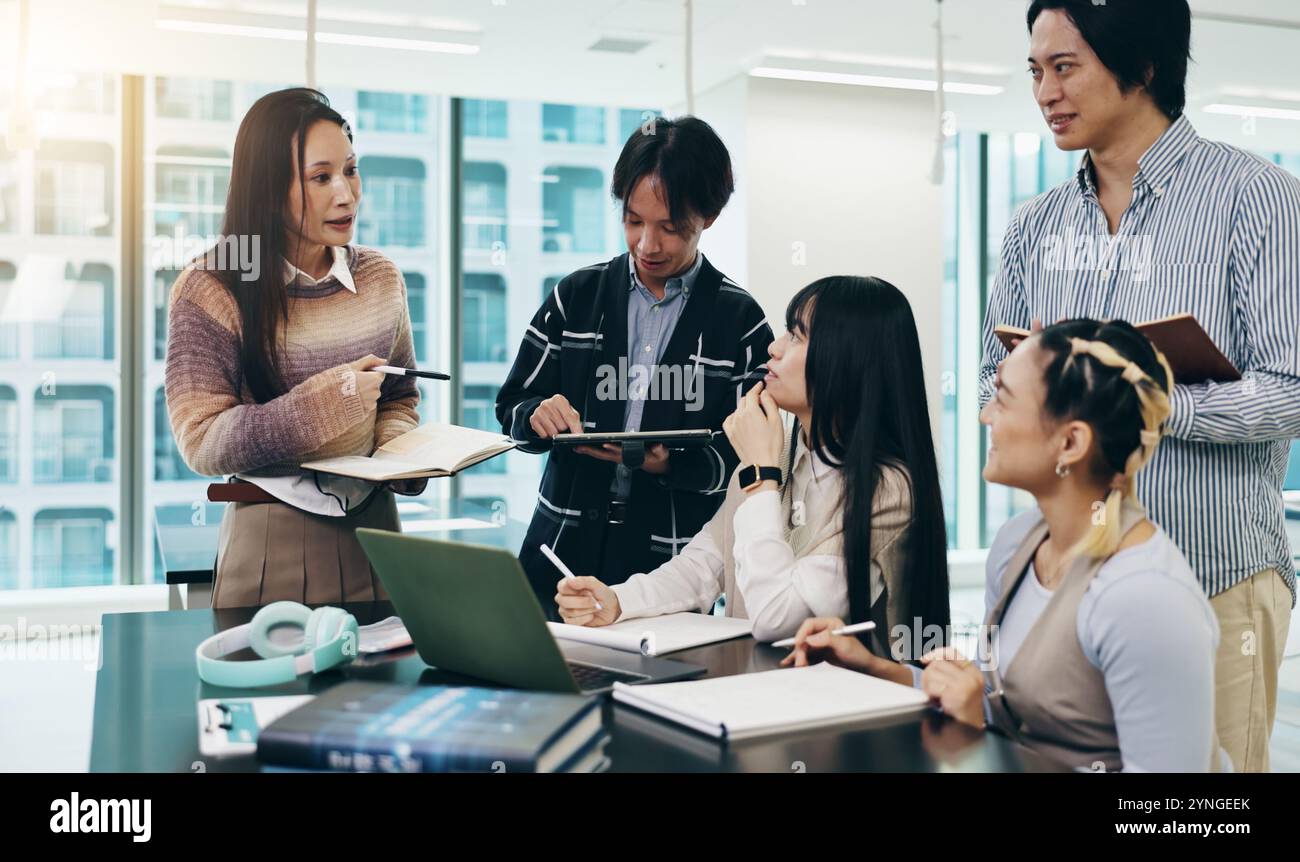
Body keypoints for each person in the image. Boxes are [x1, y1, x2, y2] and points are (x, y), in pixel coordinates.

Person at [978, 0, 1300, 771]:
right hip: (1066, 583)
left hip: (1214, 574)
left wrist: (1144, 401)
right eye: (1035, 71)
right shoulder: (1034, 226)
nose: (1045, 92)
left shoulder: (1254, 198)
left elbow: (1291, 388)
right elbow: (998, 375)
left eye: (1065, 67)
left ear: (1144, 67)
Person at [789, 320, 1221, 772]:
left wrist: (979, 741)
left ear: (1070, 442)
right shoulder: (1018, 544)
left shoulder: (1145, 599)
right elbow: (998, 704)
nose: (985, 415)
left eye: (1004, 397)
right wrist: (877, 668)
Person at [555, 276, 949, 649]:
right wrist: (618, 600)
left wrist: (762, 477)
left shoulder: (889, 490)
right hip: (757, 688)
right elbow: (706, 564)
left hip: (835, 707)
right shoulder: (778, 453)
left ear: (847, 360)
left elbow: (777, 620)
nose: (774, 348)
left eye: (796, 336)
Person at [497, 116, 773, 616]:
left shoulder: (742, 322)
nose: (648, 244)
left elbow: (747, 460)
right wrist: (536, 414)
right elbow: (511, 407)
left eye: (671, 227)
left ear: (707, 217)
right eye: (633, 220)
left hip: (669, 569)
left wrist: (669, 462)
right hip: (560, 553)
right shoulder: (575, 296)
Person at [165, 88, 423, 608]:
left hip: (377, 531)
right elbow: (201, 440)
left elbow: (400, 396)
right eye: (321, 177)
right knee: (272, 688)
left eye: (351, 170)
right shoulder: (211, 286)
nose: (347, 194)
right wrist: (327, 405)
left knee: (383, 689)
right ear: (268, 187)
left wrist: (399, 454)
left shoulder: (381, 277)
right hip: (270, 534)